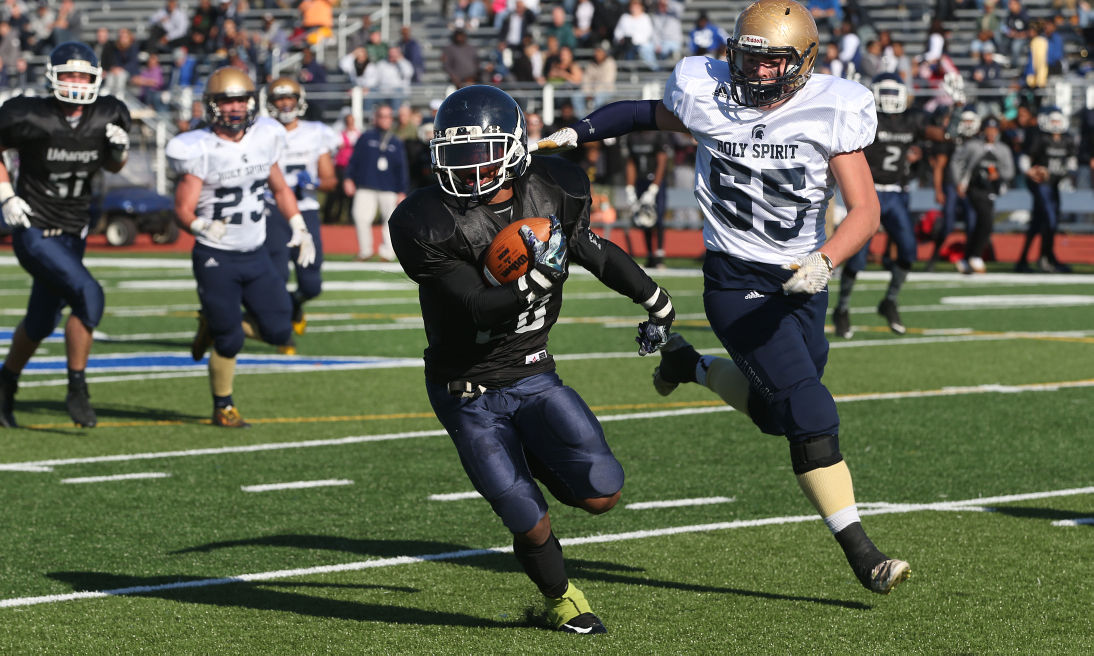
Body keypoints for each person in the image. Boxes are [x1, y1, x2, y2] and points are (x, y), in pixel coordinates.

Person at [537, 0, 910, 596]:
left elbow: (866, 210)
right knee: (810, 411)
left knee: (775, 414)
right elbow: (639, 114)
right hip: (736, 284)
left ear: (804, 61)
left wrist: (825, 261)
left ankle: (690, 365)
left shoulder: (829, 109)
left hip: (803, 280)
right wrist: (577, 131)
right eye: (751, 59)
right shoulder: (710, 97)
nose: (760, 73)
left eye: (774, 62)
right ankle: (863, 554)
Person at [388, 85, 675, 634]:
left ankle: (532, 453)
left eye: (483, 153)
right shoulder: (429, 220)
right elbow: (474, 306)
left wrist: (655, 299)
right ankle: (562, 598)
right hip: (465, 387)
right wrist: (536, 280)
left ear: (516, 149)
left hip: (533, 369)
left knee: (603, 492)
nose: (469, 168)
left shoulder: (554, 190)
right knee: (525, 515)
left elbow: (593, 251)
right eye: (458, 153)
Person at [167, 67, 316, 427]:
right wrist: (202, 224)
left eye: (240, 100)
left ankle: (213, 325)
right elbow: (182, 210)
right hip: (216, 255)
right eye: (226, 100)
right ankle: (223, 405)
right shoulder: (199, 148)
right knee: (231, 340)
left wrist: (299, 225)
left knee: (282, 330)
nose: (234, 107)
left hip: (256, 251)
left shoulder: (266, 136)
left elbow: (280, 188)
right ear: (212, 105)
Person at [0, 42, 130, 429]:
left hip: (74, 230)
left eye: (83, 76)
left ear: (96, 78)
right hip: (34, 227)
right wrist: (6, 195)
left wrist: (118, 153)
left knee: (40, 321)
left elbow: (112, 166)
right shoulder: (28, 115)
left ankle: (5, 382)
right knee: (89, 295)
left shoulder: (109, 112)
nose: (75, 83)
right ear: (53, 76)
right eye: (69, 75)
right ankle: (77, 387)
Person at [834, 73, 929, 338]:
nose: (888, 100)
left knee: (909, 251)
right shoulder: (866, 117)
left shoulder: (912, 120)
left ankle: (890, 301)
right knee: (858, 256)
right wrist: (845, 103)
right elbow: (842, 129)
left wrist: (956, 113)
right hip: (869, 192)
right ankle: (842, 309)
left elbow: (940, 135)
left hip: (897, 194)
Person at [264, 77, 337, 336]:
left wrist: (316, 181)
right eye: (279, 99)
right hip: (272, 211)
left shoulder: (316, 132)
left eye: (289, 98)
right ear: (271, 103)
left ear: (299, 101)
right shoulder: (262, 132)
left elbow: (330, 180)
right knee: (277, 275)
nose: (285, 104)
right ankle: (278, 326)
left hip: (305, 209)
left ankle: (294, 303)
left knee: (312, 284)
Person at [951, 113, 1015, 274]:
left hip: (991, 190)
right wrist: (959, 181)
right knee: (986, 220)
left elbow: (1010, 171)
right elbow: (957, 161)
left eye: (994, 129)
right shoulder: (973, 146)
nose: (991, 133)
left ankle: (967, 259)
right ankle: (975, 256)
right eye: (989, 129)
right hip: (975, 188)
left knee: (981, 223)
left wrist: (998, 174)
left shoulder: (1002, 149)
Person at [1015, 106, 1076, 273]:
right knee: (1050, 220)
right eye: (1053, 120)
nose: (1056, 124)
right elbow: (1025, 158)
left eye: (1058, 120)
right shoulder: (1041, 138)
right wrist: (1030, 171)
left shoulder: (1067, 139)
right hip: (1041, 185)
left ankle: (1029, 259)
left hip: (1055, 185)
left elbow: (1071, 162)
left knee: (1038, 223)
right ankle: (1045, 257)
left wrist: (1070, 174)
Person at [344, 104, 407, 261]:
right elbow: (353, 161)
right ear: (376, 118)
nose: (385, 120)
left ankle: (387, 253)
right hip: (366, 185)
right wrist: (348, 178)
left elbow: (402, 168)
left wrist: (402, 191)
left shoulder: (396, 141)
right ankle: (365, 251)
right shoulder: (365, 137)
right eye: (382, 116)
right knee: (360, 216)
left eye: (388, 117)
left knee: (390, 221)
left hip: (389, 187)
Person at [621, 130, 670, 268]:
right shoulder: (632, 136)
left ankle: (659, 255)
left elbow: (662, 162)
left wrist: (654, 188)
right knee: (643, 218)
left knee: (658, 217)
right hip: (640, 181)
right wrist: (630, 188)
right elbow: (631, 163)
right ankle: (650, 256)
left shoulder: (658, 135)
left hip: (655, 181)